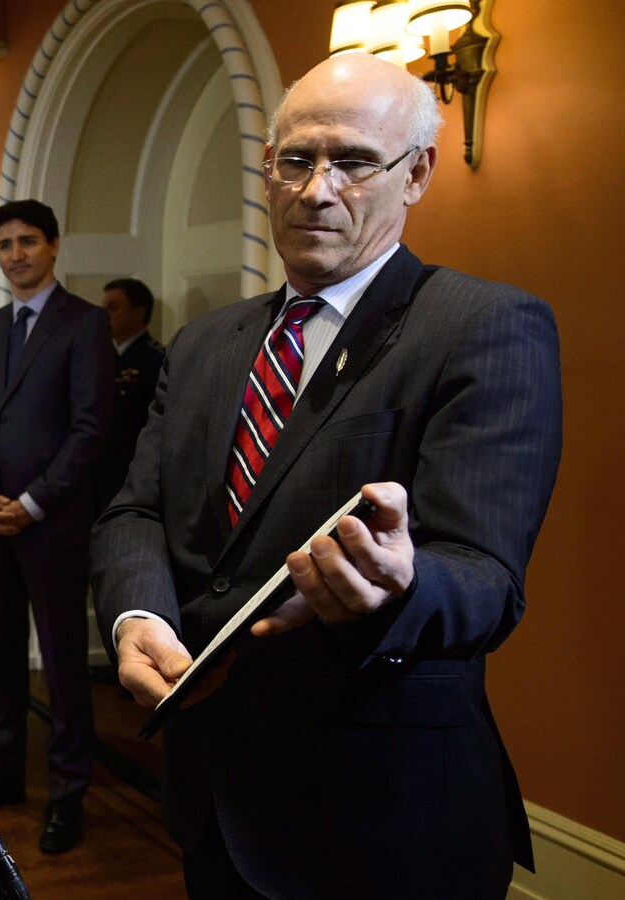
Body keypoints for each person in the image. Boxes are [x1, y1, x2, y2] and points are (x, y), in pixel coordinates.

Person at [89, 54, 561, 899]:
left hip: (381, 817)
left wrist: (398, 587)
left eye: (350, 161)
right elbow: (135, 512)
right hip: (214, 797)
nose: (316, 189)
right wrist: (134, 618)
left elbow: (486, 578)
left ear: (415, 174)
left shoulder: (484, 326)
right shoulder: (204, 343)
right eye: (295, 161)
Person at [0, 199, 113, 854]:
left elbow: (90, 431)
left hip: (51, 524)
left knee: (64, 660)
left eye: (28, 242)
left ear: (53, 247)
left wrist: (33, 502)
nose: (15, 254)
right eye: (6, 244)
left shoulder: (85, 324)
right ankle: (5, 768)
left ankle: (70, 789)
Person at [97, 278, 164, 511]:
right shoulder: (102, 357)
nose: (104, 314)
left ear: (138, 313)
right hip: (100, 476)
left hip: (132, 475)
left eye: (113, 307)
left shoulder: (156, 359)